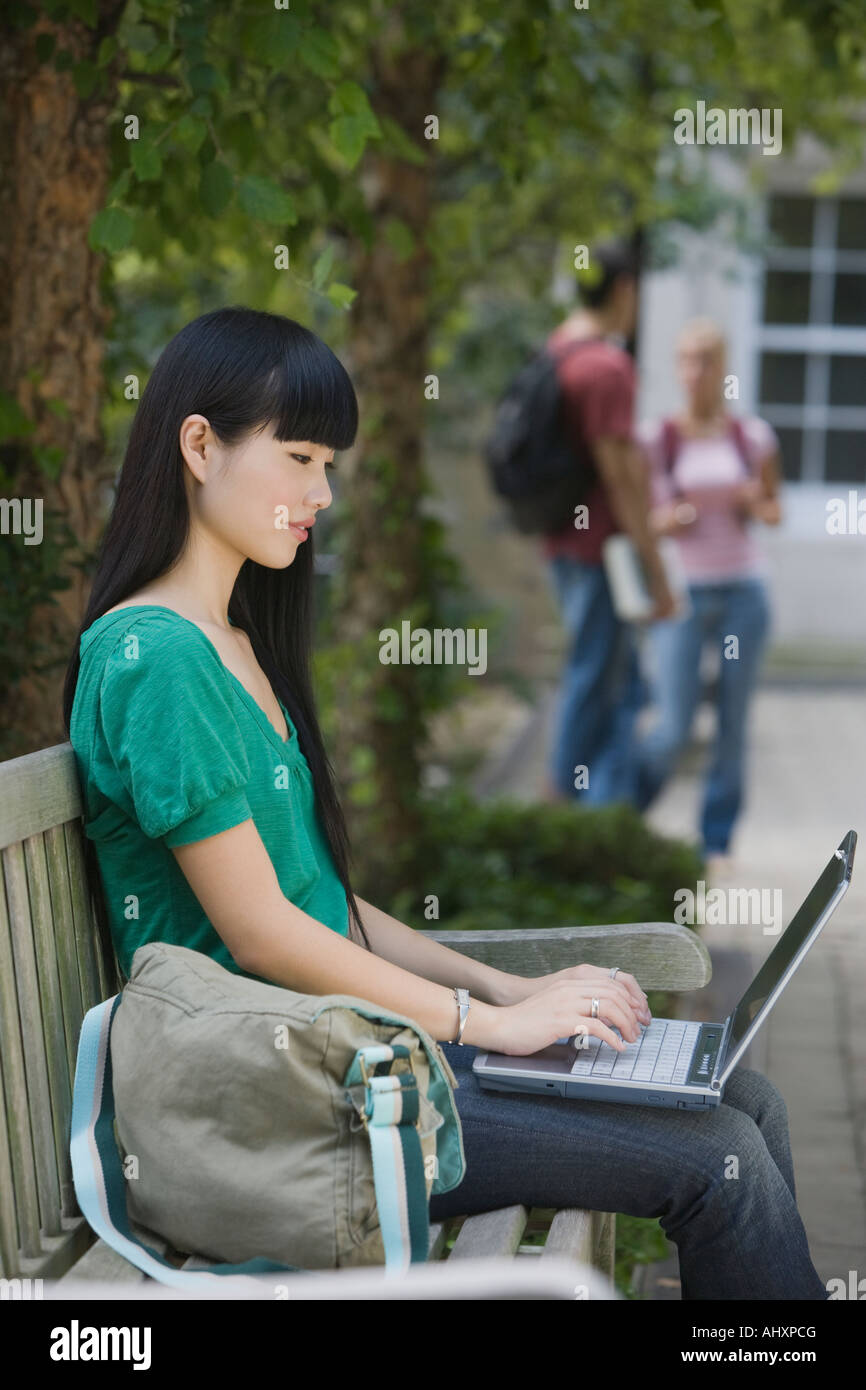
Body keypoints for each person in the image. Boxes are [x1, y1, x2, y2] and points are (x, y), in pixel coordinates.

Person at [64, 306, 825, 1300]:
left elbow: (321, 906)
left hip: (354, 1057)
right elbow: (260, 935)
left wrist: (512, 996)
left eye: (327, 463)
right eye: (298, 457)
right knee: (718, 1159)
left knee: (745, 1098)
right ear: (199, 445)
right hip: (280, 1097)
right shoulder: (154, 655)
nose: (321, 492)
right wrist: (482, 1020)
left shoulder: (230, 642)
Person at [633, 318, 782, 867]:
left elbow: (774, 510)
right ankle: (625, 815)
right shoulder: (657, 439)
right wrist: (669, 518)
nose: (696, 371)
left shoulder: (753, 436)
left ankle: (716, 841)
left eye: (707, 360)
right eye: (687, 360)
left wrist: (750, 501)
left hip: (744, 590)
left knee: (732, 724)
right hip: (685, 592)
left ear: (723, 368)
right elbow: (643, 520)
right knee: (673, 725)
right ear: (678, 369)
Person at [541, 240, 676, 807]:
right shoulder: (607, 366)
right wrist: (658, 572)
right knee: (595, 679)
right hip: (604, 555)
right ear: (624, 289)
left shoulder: (557, 350)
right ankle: (558, 811)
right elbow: (621, 480)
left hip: (560, 546)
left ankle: (604, 812)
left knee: (618, 687)